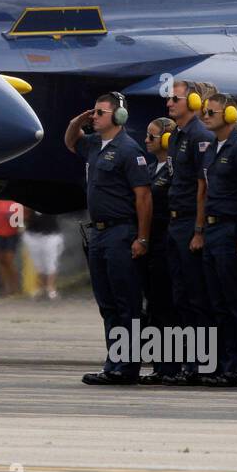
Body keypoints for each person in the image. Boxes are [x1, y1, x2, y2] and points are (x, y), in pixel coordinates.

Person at [66, 92, 152, 385]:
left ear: (119, 117)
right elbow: (70, 141)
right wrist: (78, 119)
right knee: (107, 304)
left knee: (126, 302)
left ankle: (127, 367)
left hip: (121, 232)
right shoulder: (93, 146)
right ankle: (113, 362)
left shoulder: (129, 150)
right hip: (99, 233)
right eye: (95, 113)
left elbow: (143, 198)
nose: (95, 117)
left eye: (101, 113)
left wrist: (142, 238)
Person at [191, 93, 237, 386]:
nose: (206, 115)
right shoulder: (211, 149)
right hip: (212, 231)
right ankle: (223, 363)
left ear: (229, 114)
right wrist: (200, 230)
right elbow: (204, 192)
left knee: (234, 301)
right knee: (217, 301)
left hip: (230, 229)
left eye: (212, 111)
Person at [163, 80, 217, 384]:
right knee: (180, 295)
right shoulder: (176, 137)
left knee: (197, 297)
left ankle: (203, 363)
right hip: (175, 222)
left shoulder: (200, 136)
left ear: (194, 102)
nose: (169, 104)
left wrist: (199, 229)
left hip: (189, 223)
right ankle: (188, 362)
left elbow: (203, 187)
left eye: (176, 99)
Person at [138, 116, 176, 381]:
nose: (147, 141)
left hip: (166, 242)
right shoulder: (152, 169)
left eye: (152, 136)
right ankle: (161, 364)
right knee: (154, 306)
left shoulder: (173, 171)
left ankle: (170, 366)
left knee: (166, 306)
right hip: (153, 244)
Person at [22, 208, 64, 301]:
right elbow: (24, 214)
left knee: (51, 262)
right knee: (38, 264)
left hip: (50, 234)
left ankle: (51, 288)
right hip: (32, 234)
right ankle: (42, 287)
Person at [0, 199, 23, 297]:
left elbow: (19, 220)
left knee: (8, 260)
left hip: (11, 234)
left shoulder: (16, 202)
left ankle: (15, 285)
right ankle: (6, 286)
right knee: (1, 260)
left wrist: (17, 223)